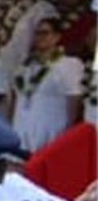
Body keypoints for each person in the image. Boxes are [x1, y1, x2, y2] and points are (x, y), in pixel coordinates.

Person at [9, 17, 83, 154]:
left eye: (45, 33)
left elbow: (74, 99)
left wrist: (68, 134)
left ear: (56, 37)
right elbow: (15, 97)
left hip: (50, 135)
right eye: (37, 33)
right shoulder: (24, 66)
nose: (39, 37)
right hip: (20, 133)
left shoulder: (69, 64)